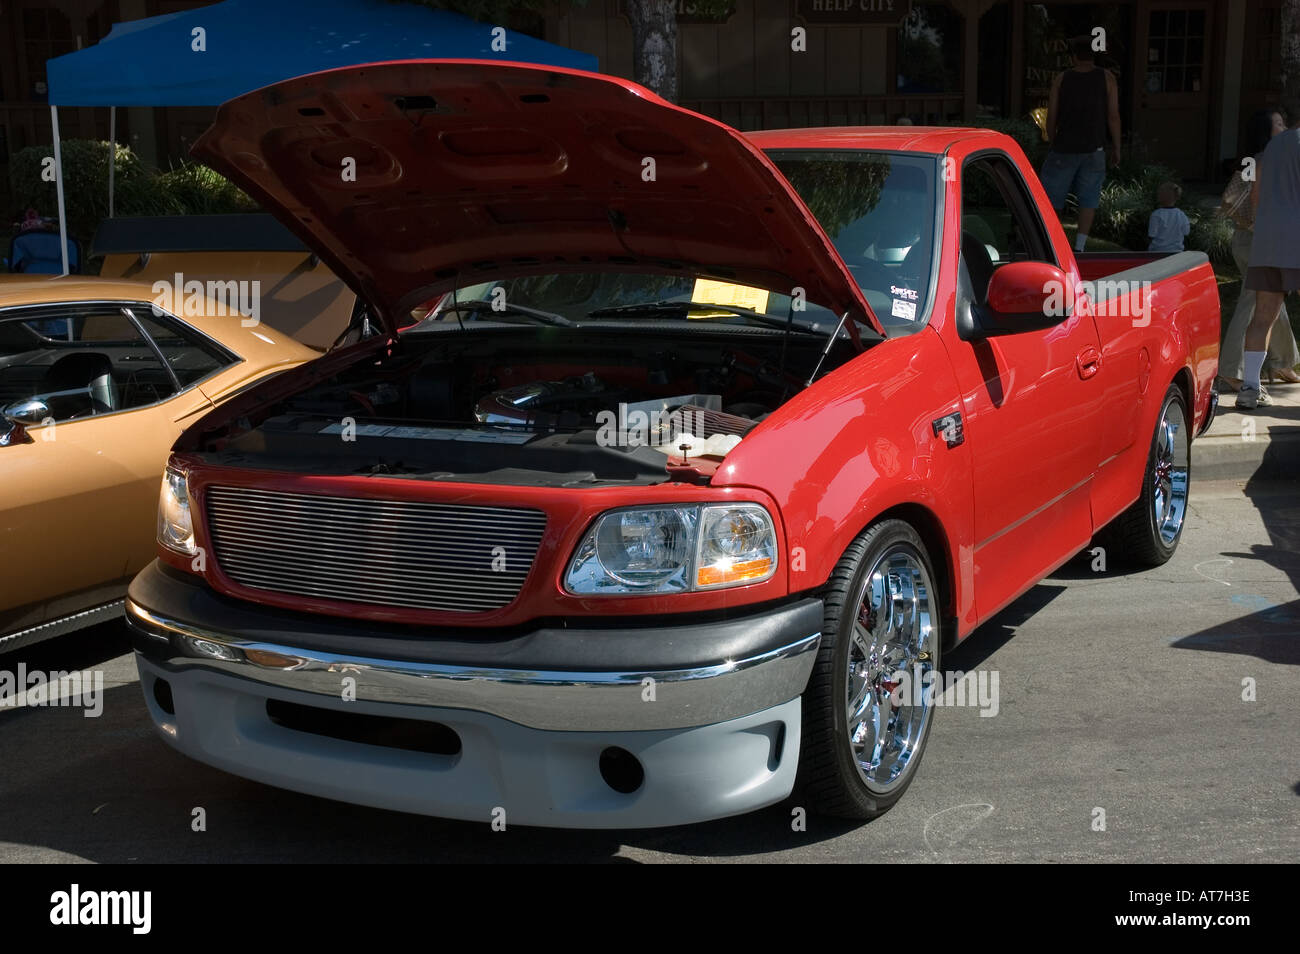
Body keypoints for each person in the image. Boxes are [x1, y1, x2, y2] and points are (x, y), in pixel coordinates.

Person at [1218, 108, 1300, 391]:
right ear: (1266, 131)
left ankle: (1283, 361)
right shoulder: (1260, 159)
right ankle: (1232, 368)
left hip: (1261, 237)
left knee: (1270, 306)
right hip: (1254, 238)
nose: (1284, 126)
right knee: (1252, 302)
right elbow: (1234, 198)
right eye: (1279, 123)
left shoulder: (1272, 155)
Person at [1238, 99, 1300, 409]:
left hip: (1268, 238)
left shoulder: (1273, 147)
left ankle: (1250, 387)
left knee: (1262, 317)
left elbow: (1256, 196)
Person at [1042, 36, 1122, 252]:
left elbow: (1052, 116)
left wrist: (1051, 139)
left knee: (1051, 198)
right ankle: (1080, 246)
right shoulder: (1108, 78)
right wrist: (1117, 147)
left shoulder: (1062, 79)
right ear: (1093, 55)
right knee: (1089, 198)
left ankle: (1053, 243)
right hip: (1094, 147)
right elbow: (1113, 116)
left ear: (1073, 56)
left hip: (1064, 146)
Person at [1148, 181, 1190, 252]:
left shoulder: (1156, 214)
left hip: (1157, 252)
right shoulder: (1181, 215)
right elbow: (1186, 232)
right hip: (1177, 252)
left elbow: (1152, 234)